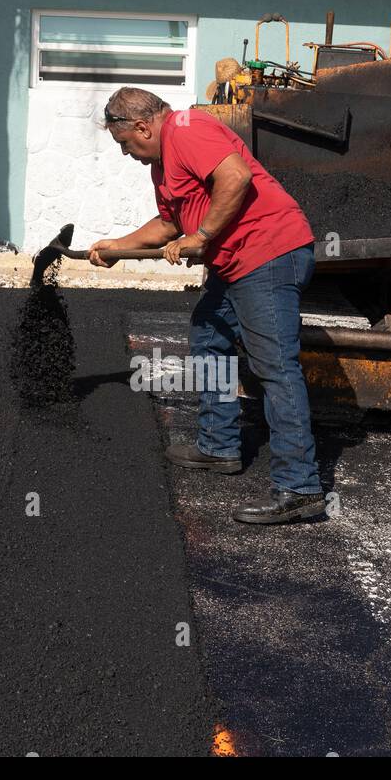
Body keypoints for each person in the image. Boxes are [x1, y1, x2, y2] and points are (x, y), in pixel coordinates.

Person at [89, 87, 324, 524]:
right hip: (235, 262)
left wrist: (201, 237)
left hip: (268, 253)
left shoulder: (187, 128)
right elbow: (169, 224)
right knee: (208, 336)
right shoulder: (163, 163)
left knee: (275, 366)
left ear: (142, 126)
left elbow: (236, 177)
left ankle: (300, 487)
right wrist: (117, 246)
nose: (126, 154)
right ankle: (219, 447)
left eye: (125, 144)